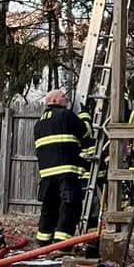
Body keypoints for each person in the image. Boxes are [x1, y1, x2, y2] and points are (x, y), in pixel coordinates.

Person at [33, 88, 91, 245]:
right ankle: (62, 243)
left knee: (49, 208)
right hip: (67, 171)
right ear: (54, 101)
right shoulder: (66, 115)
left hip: (46, 174)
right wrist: (85, 115)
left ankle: (43, 241)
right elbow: (86, 132)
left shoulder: (38, 124)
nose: (67, 99)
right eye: (63, 96)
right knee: (69, 206)